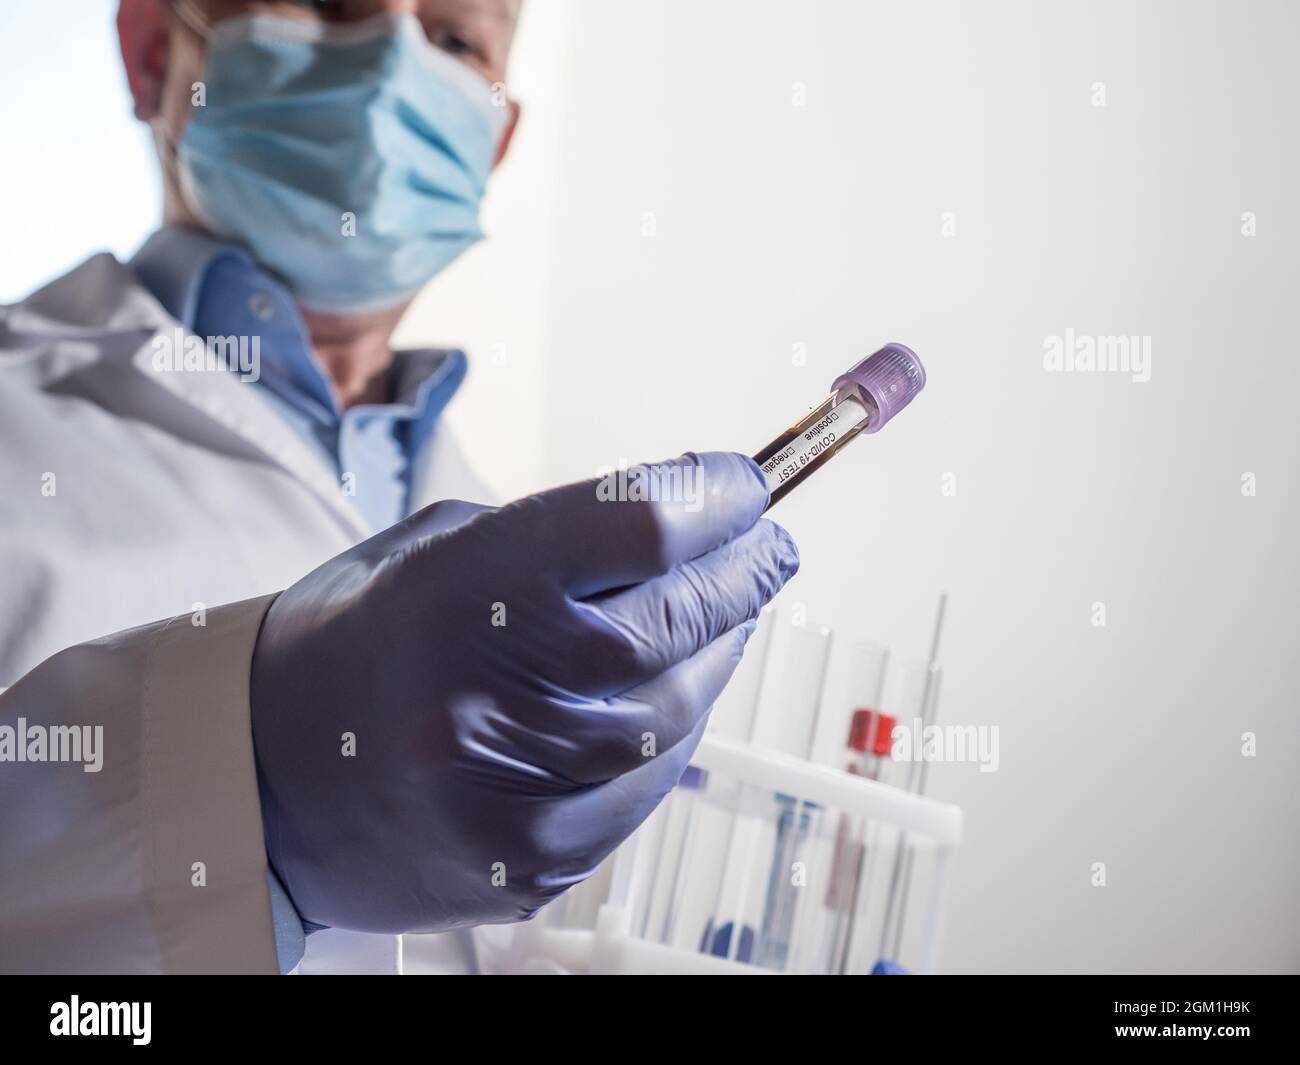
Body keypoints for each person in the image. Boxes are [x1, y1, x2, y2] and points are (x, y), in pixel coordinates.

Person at [0, 0, 798, 974]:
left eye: (455, 37)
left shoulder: (500, 527)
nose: (389, 65)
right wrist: (250, 796)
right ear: (154, 49)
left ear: (495, 139)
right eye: (332, 5)